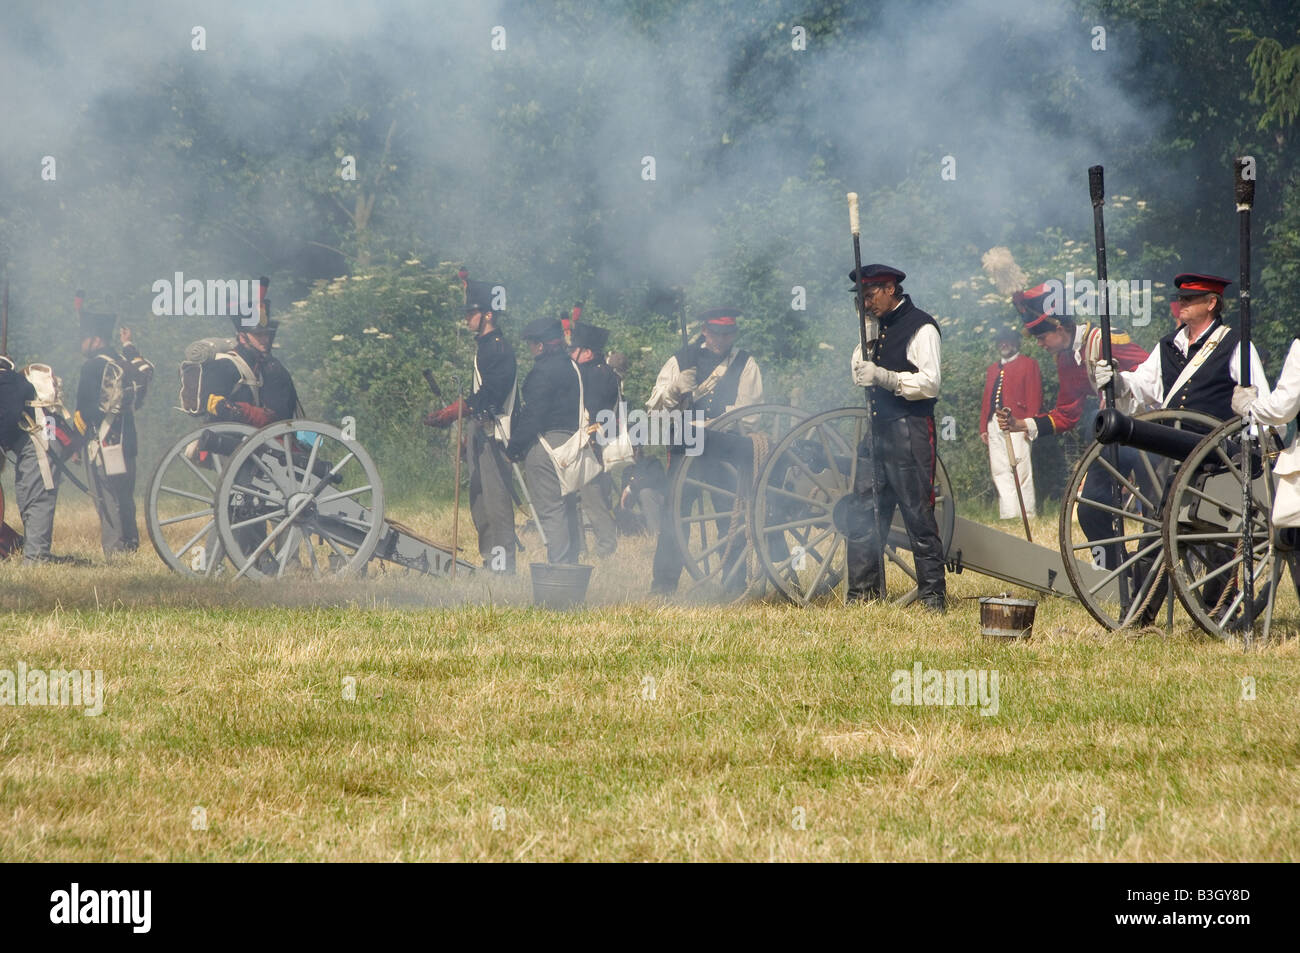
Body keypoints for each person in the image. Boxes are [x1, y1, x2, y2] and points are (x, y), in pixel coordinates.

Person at [997, 282, 1149, 578]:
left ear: (1062, 326)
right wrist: (1020, 424)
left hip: (1147, 430)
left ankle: (1150, 575)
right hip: (1115, 436)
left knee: (1155, 513)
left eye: (1042, 335)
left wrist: (1122, 381)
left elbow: (1152, 371)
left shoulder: (1106, 340)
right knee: (1090, 508)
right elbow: (1067, 413)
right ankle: (1111, 574)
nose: (1039, 343)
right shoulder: (1066, 359)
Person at [845, 264, 946, 610]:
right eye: (861, 299)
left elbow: (930, 383)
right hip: (877, 433)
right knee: (863, 515)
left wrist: (886, 378)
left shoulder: (921, 326)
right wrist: (868, 340)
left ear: (890, 289)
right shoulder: (876, 330)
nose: (866, 304)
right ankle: (862, 596)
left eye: (870, 296)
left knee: (918, 515)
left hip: (909, 430)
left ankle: (933, 597)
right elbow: (858, 371)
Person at [647, 307, 763, 594]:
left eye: (728, 334)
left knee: (730, 517)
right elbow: (654, 409)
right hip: (686, 449)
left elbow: (749, 415)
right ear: (705, 331)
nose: (722, 340)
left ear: (733, 334)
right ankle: (663, 586)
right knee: (674, 518)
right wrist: (675, 389)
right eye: (716, 334)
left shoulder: (745, 363)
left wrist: (710, 423)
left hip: (724, 451)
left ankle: (734, 585)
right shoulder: (680, 360)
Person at [426, 278, 520, 574]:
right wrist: (468, 436)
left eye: (471, 313)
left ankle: (504, 568)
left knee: (497, 505)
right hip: (481, 433)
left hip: (498, 434)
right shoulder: (484, 347)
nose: (466, 319)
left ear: (488, 315)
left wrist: (455, 411)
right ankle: (491, 561)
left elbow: (491, 395)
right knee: (479, 503)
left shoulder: (498, 348)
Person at [1100, 273, 1269, 419]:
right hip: (1170, 443)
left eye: (1188, 298)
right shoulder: (1168, 344)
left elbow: (1258, 400)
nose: (1181, 302)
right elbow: (1145, 383)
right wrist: (1118, 381)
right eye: (1180, 297)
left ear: (1211, 303)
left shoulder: (1235, 345)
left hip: (1215, 447)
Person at [74, 311, 153, 557]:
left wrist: (76, 444)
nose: (81, 344)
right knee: (124, 496)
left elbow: (84, 411)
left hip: (103, 441)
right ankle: (130, 545)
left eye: (85, 338)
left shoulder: (92, 366)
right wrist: (129, 346)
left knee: (106, 497)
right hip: (127, 442)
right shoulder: (123, 361)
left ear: (96, 340)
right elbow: (145, 373)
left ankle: (115, 552)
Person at [507, 317, 584, 565]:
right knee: (567, 508)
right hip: (570, 444)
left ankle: (560, 570)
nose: (530, 349)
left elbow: (533, 416)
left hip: (546, 446)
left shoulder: (542, 372)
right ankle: (571, 565)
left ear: (540, 346)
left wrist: (514, 447)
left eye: (531, 344)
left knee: (551, 511)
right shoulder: (571, 366)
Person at [1, 357, 73, 562]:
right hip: (33, 444)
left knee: (36, 499)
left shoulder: (5, 380)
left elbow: (9, 414)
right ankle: (35, 553)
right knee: (27, 497)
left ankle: (36, 558)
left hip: (39, 441)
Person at [979, 327, 1042, 520]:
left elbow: (1035, 396)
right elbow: (986, 400)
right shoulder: (993, 369)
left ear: (1016, 343)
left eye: (1007, 340)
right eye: (1000, 341)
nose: (1003, 344)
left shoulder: (1028, 364)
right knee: (999, 470)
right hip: (994, 424)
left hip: (1017, 422)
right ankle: (1008, 513)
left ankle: (1027, 513)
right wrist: (984, 427)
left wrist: (1028, 424)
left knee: (1021, 470)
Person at [569, 322, 619, 558]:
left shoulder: (597, 374)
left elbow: (597, 412)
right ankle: (579, 549)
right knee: (578, 497)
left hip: (592, 442)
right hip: (587, 440)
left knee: (592, 497)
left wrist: (589, 440)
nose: (571, 354)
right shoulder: (594, 371)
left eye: (575, 349)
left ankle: (606, 545)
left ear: (587, 352)